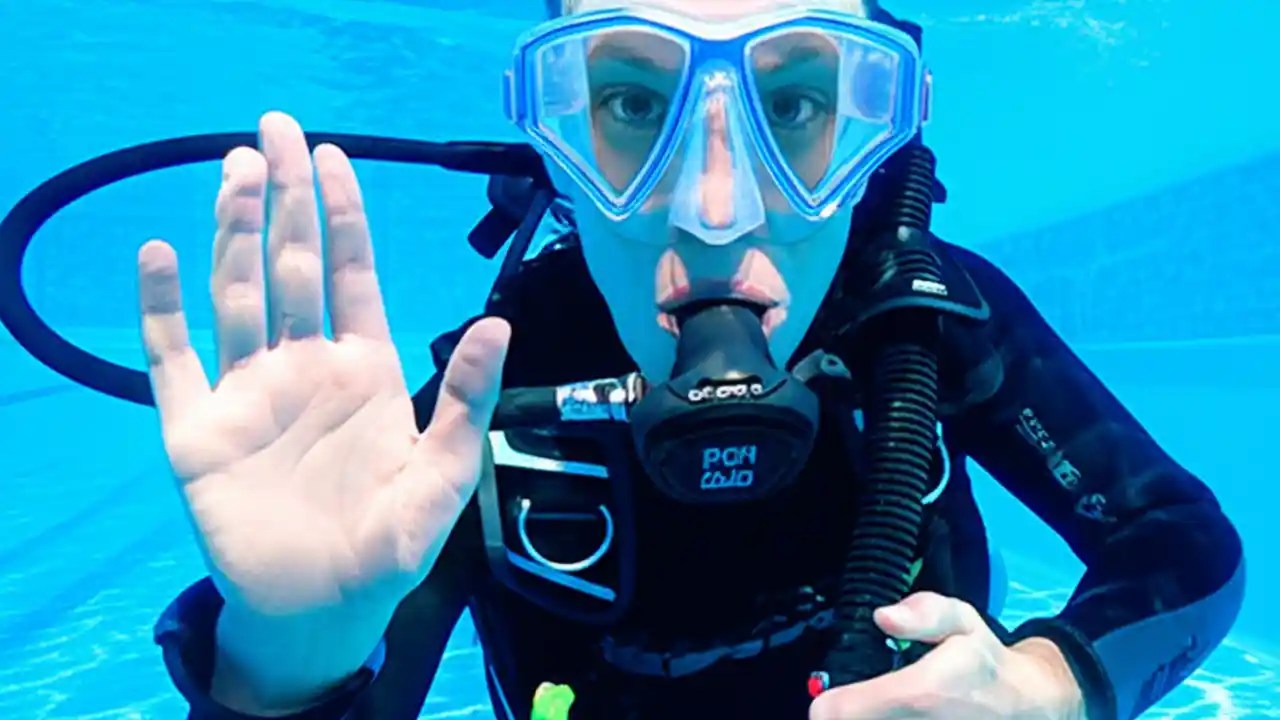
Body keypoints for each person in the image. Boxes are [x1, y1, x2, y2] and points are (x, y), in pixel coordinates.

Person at [137, 1, 1245, 718]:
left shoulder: (923, 317)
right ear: (554, 142)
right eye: (630, 102)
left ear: (880, 132)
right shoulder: (490, 392)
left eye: (796, 102)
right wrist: (282, 663)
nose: (713, 207)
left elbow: (1181, 543)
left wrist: (1048, 692)